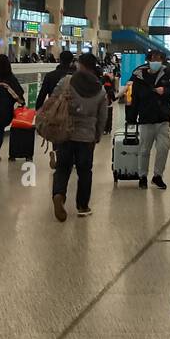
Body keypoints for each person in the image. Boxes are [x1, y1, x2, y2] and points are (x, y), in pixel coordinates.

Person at [50, 53, 107, 221]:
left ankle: (59, 195)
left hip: (66, 132)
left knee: (62, 168)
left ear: (81, 65)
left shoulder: (66, 81)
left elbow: (53, 101)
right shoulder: (100, 89)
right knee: (84, 171)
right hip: (86, 136)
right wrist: (96, 136)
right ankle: (82, 206)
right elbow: (102, 116)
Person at [130, 49, 170, 189]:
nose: (155, 62)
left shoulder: (168, 73)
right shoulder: (139, 76)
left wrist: (165, 91)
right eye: (153, 59)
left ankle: (157, 176)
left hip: (163, 117)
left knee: (163, 148)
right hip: (146, 118)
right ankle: (142, 176)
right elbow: (134, 98)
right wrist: (131, 117)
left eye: (159, 59)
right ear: (148, 60)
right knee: (144, 150)